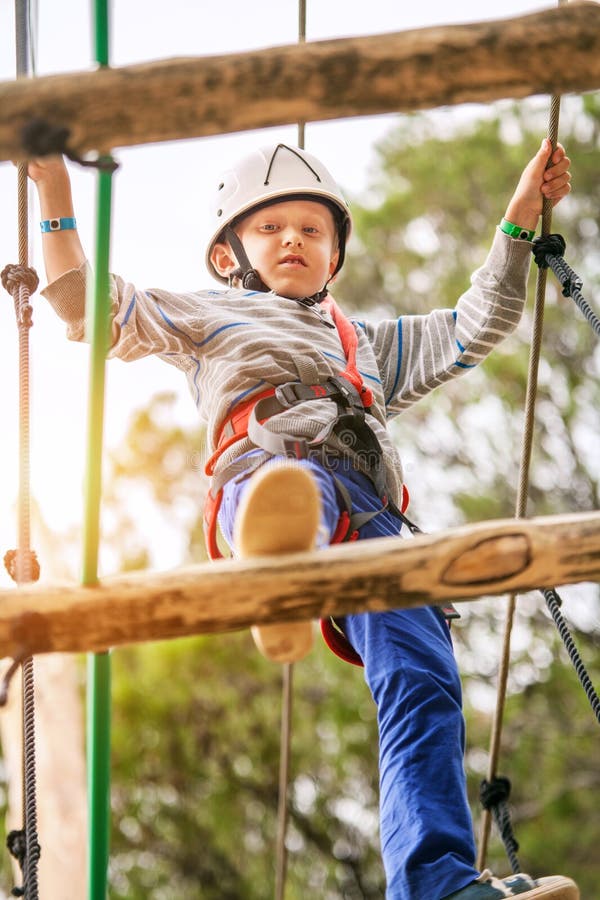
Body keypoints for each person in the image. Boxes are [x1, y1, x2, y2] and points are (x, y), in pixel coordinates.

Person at [28, 139, 578, 899]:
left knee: (424, 682)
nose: (293, 239)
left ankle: (439, 886)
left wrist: (518, 222)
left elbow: (474, 326)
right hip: (267, 474)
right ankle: (276, 566)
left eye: (313, 231)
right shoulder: (210, 314)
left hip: (375, 521)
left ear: (334, 258)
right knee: (296, 484)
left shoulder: (369, 346)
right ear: (229, 257)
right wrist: (55, 190)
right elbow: (83, 303)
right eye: (271, 228)